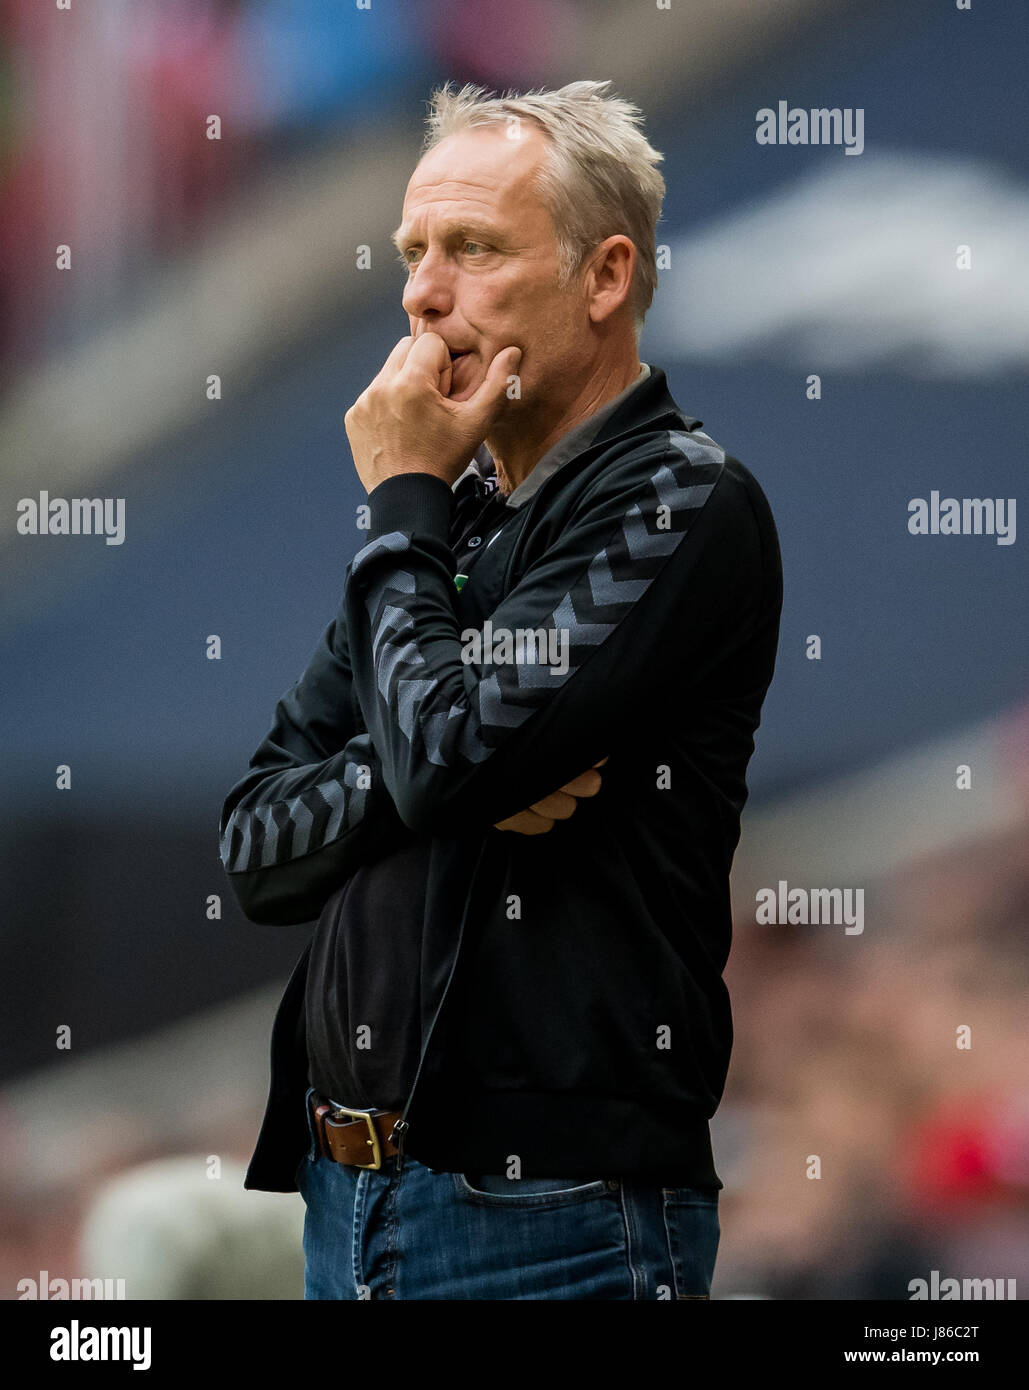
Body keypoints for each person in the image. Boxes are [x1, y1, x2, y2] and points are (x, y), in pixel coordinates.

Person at [218, 78, 783, 1300]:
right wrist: (430, 775)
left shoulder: (679, 499)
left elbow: (445, 756)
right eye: (414, 253)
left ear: (605, 275)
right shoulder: (444, 526)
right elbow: (256, 845)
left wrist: (404, 521)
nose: (424, 293)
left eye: (473, 248)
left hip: (552, 1216)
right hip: (345, 1195)